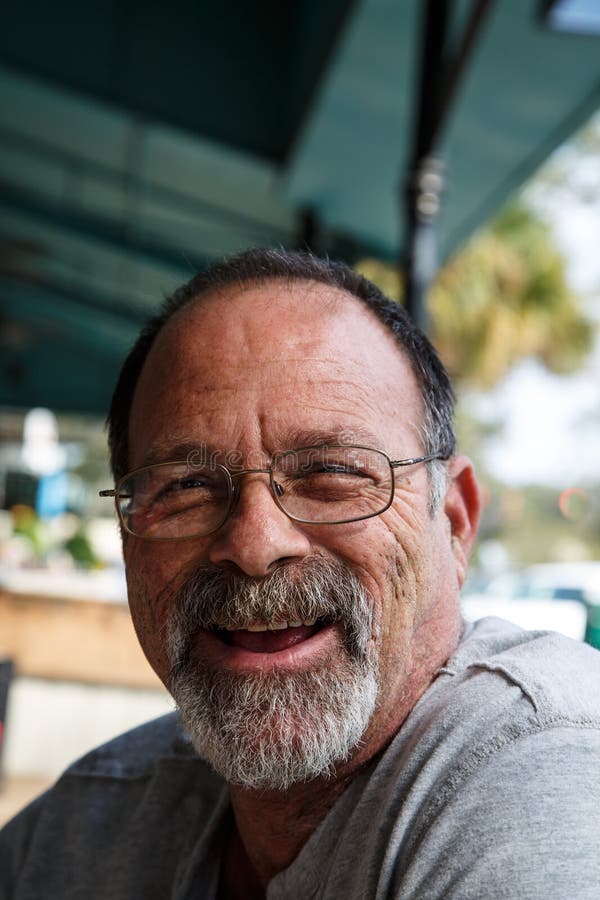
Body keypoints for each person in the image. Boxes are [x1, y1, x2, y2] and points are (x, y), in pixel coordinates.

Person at [1, 248, 599, 899]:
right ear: (127, 538)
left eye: (333, 474)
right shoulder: (86, 826)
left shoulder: (544, 768)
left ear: (453, 523)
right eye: (187, 486)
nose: (255, 545)